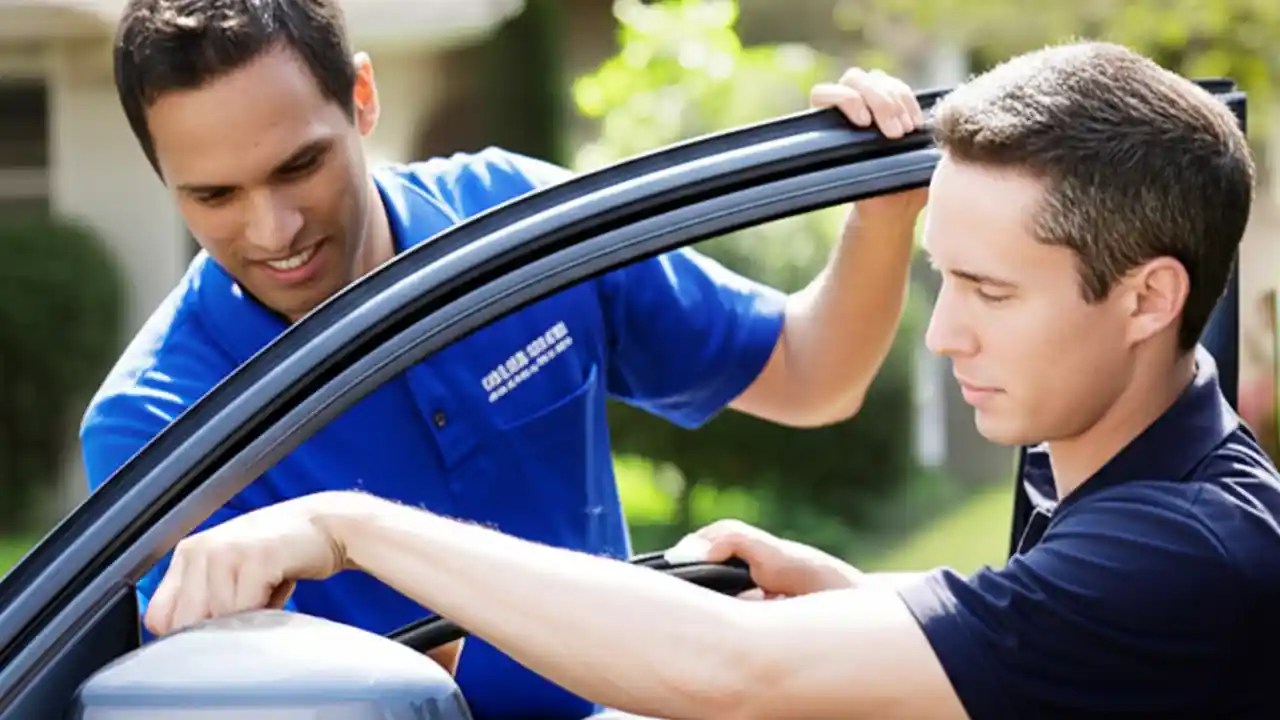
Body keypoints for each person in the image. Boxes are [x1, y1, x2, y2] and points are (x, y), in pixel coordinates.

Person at [143, 40, 1280, 719]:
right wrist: (849, 599)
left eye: (989, 293)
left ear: (1145, 299)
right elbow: (1027, 650)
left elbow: (740, 673)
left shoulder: (1184, 551)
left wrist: (350, 527)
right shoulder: (1093, 448)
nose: (940, 339)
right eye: (946, 281)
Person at [82, 1, 927, 717]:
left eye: (299, 166)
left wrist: (882, 214)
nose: (273, 231)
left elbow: (813, 375)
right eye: (214, 196)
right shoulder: (159, 427)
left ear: (362, 99)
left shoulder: (517, 227)